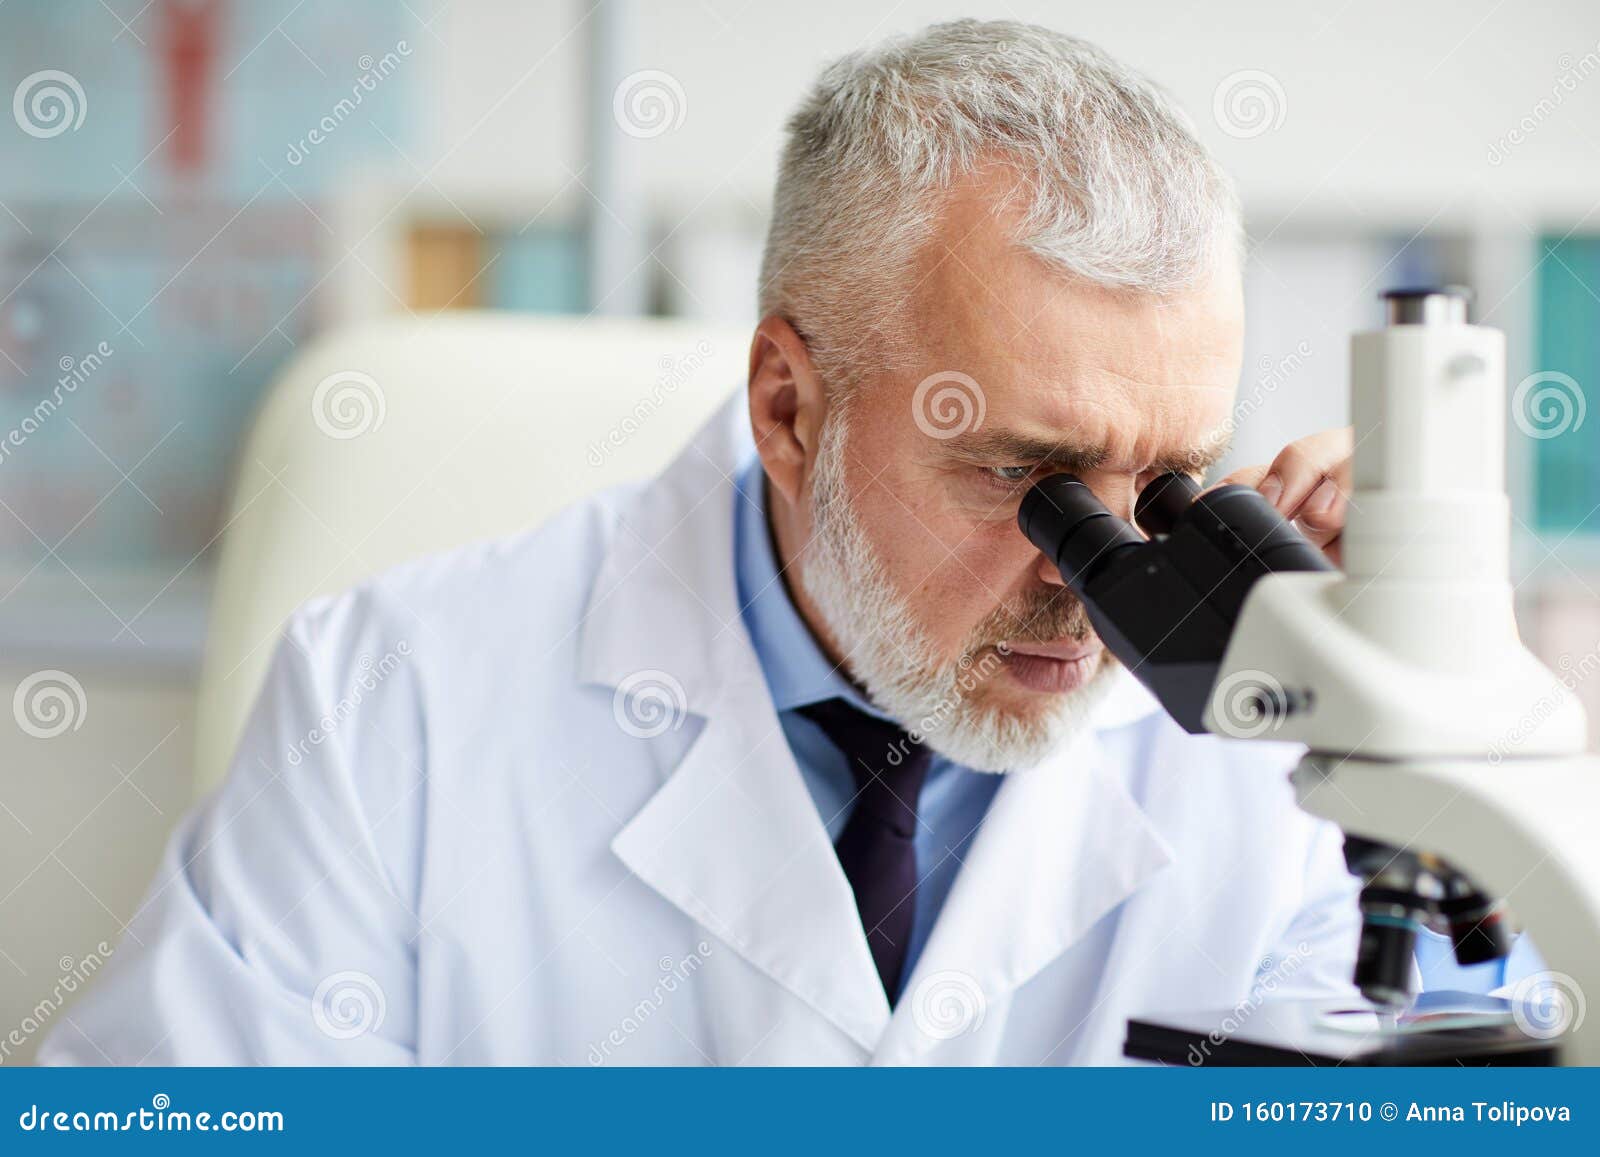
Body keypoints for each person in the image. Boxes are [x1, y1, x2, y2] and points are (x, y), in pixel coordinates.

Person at [43, 19, 1370, 1066]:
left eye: (1175, 482)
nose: (1099, 588)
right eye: (1027, 478)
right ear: (789, 408)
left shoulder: (1289, 749)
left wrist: (1446, 737)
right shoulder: (391, 700)